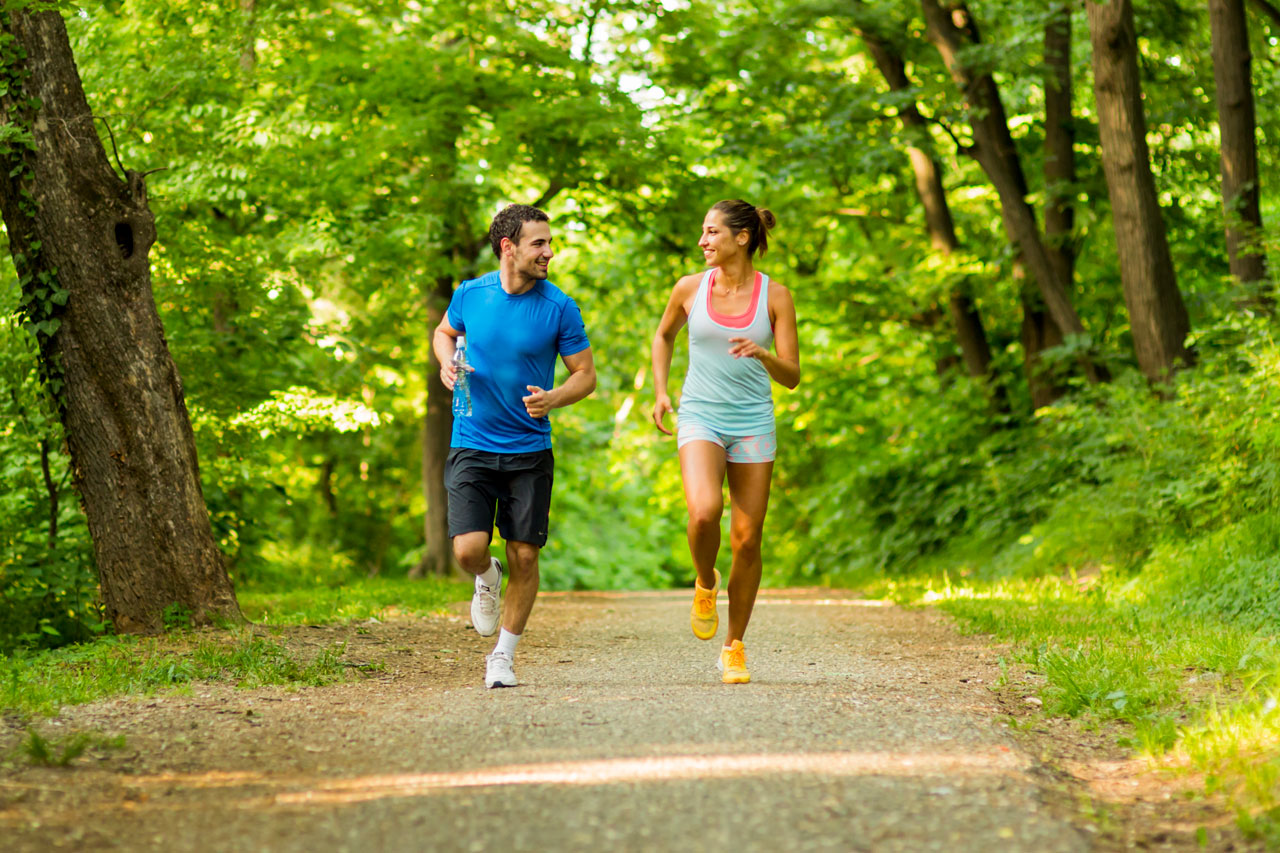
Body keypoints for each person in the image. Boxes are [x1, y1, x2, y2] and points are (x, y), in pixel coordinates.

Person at [434, 203, 596, 689]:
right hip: (473, 441)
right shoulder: (471, 294)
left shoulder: (559, 306)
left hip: (529, 449)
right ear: (509, 247)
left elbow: (585, 375)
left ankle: (502, 657)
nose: (549, 251)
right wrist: (446, 363)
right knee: (467, 550)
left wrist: (554, 398)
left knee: (526, 555)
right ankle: (486, 575)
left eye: (549, 242)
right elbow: (445, 333)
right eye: (539, 243)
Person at [650, 199, 800, 684]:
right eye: (702, 231)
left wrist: (763, 354)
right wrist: (660, 392)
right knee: (704, 512)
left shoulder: (775, 296)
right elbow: (663, 336)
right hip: (700, 415)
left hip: (753, 420)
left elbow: (793, 375)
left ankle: (734, 647)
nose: (703, 242)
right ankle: (705, 580)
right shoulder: (689, 289)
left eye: (712, 232)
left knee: (748, 540)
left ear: (741, 238)